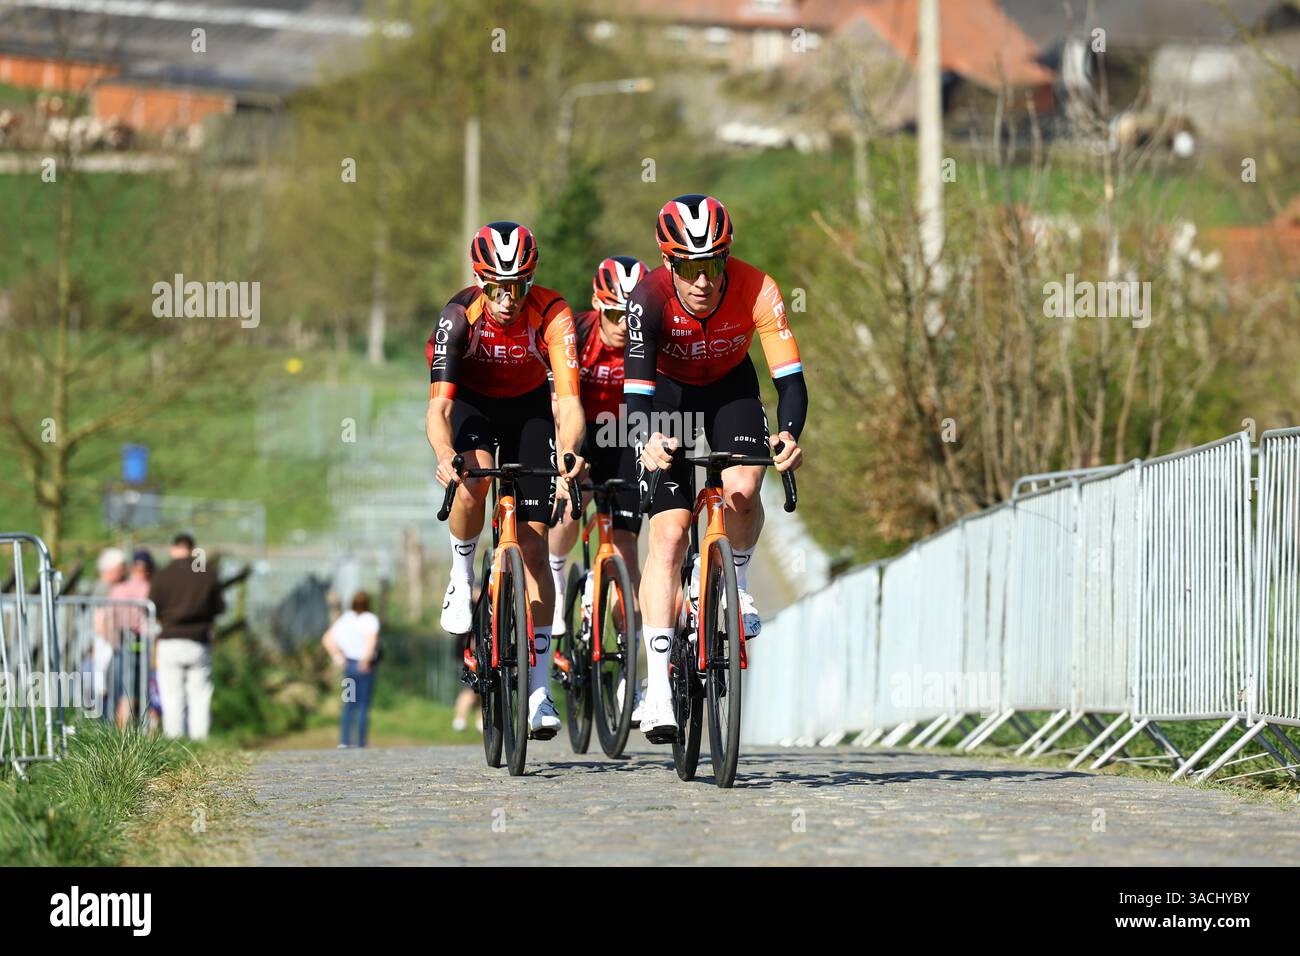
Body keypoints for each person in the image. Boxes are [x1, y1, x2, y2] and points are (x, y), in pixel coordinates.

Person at [625, 194, 807, 742]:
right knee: (671, 533)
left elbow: (790, 381)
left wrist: (790, 435)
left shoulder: (759, 288)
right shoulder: (647, 298)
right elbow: (634, 392)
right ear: (669, 264)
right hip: (669, 396)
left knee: (746, 488)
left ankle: (739, 581)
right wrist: (644, 439)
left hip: (730, 387)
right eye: (690, 268)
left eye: (714, 265)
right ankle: (657, 689)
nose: (703, 281)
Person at [426, 220, 585, 740]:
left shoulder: (553, 313)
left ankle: (538, 692)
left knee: (536, 547)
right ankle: (462, 573)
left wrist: (567, 453)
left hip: (529, 411)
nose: (507, 298)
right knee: (472, 483)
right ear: (481, 280)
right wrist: (445, 452)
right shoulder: (459, 316)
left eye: (517, 286)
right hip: (473, 406)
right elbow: (439, 407)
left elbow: (568, 403)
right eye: (497, 286)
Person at [547, 256, 649, 723]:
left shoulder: (649, 337)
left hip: (626, 438)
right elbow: (556, 403)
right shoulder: (579, 336)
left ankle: (630, 662)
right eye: (613, 315)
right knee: (568, 510)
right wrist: (568, 456)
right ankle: (552, 577)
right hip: (580, 432)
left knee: (627, 551)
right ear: (596, 305)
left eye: (630, 318)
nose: (623, 328)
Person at [148, 533, 224, 740]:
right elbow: (219, 608)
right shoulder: (208, 574)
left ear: (174, 549)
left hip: (170, 641)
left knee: (172, 695)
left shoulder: (162, 575)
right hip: (199, 641)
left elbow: (152, 610)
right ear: (192, 550)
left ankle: (175, 741)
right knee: (199, 695)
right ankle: (200, 740)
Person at [323, 591, 381, 748]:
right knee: (362, 705)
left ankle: (344, 741)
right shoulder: (370, 619)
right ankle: (360, 742)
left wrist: (338, 657)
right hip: (364, 667)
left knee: (349, 703)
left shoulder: (346, 619)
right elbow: (371, 642)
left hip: (348, 666)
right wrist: (366, 661)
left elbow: (327, 638)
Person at [107, 549, 153, 728]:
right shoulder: (150, 588)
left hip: (123, 640)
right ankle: (143, 729)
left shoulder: (119, 589)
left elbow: (111, 617)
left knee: (124, 689)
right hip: (144, 641)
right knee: (144, 689)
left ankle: (122, 731)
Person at [91, 548, 127, 719]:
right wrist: (114, 641)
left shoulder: (109, 588)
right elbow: (100, 621)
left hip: (107, 643)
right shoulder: (103, 589)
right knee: (104, 686)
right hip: (104, 644)